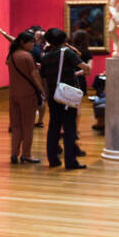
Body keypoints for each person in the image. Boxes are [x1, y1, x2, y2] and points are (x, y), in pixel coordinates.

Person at [39, 28, 87, 170]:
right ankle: (70, 161)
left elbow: (43, 79)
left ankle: (53, 160)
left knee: (54, 126)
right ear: (64, 40)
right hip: (67, 95)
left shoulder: (45, 56)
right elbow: (86, 68)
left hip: (53, 95)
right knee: (69, 127)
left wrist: (47, 94)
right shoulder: (67, 53)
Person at [6, 30, 45, 164]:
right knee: (28, 126)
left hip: (13, 94)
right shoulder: (27, 56)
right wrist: (42, 90)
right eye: (31, 43)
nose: (33, 46)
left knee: (16, 126)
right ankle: (26, 154)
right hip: (28, 95)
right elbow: (34, 76)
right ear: (23, 43)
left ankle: (14, 153)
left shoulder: (11, 56)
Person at [70, 30, 94, 156]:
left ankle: (65, 129)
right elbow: (89, 69)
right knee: (77, 107)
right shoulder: (87, 52)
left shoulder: (69, 50)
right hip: (79, 81)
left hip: (67, 79)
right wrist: (79, 73)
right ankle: (75, 130)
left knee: (66, 106)